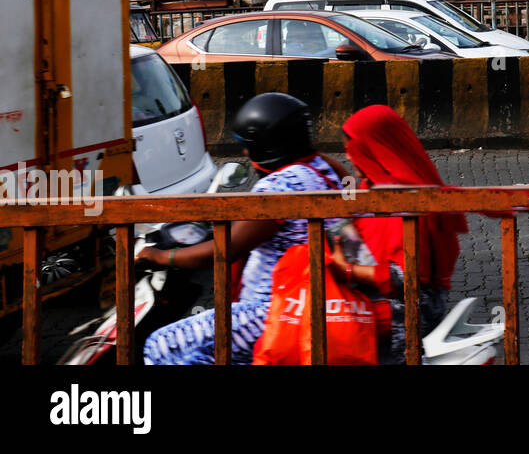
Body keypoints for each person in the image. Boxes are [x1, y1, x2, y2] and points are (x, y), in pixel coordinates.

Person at [141, 93, 344, 365]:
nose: (246, 153)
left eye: (248, 145)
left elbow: (227, 249)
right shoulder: (326, 169)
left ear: (268, 145)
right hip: (315, 299)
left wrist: (158, 256)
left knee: (162, 346)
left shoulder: (280, 187)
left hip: (274, 309)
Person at [331, 105, 468, 364]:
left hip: (404, 313)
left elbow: (402, 275)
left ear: (375, 151)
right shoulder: (378, 185)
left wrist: (346, 270)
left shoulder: (404, 198)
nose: (353, 162)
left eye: (357, 154)